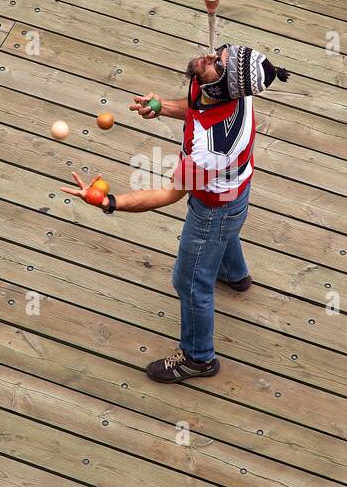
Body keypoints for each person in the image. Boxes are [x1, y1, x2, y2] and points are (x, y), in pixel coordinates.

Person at [61, 44, 289, 382]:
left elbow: (169, 193)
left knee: (190, 280)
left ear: (220, 87)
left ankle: (199, 358)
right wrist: (162, 107)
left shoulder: (211, 148)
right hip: (238, 188)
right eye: (221, 51)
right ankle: (234, 275)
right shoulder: (225, 88)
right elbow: (198, 106)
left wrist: (110, 203)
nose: (210, 56)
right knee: (226, 233)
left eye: (217, 64)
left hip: (215, 206)